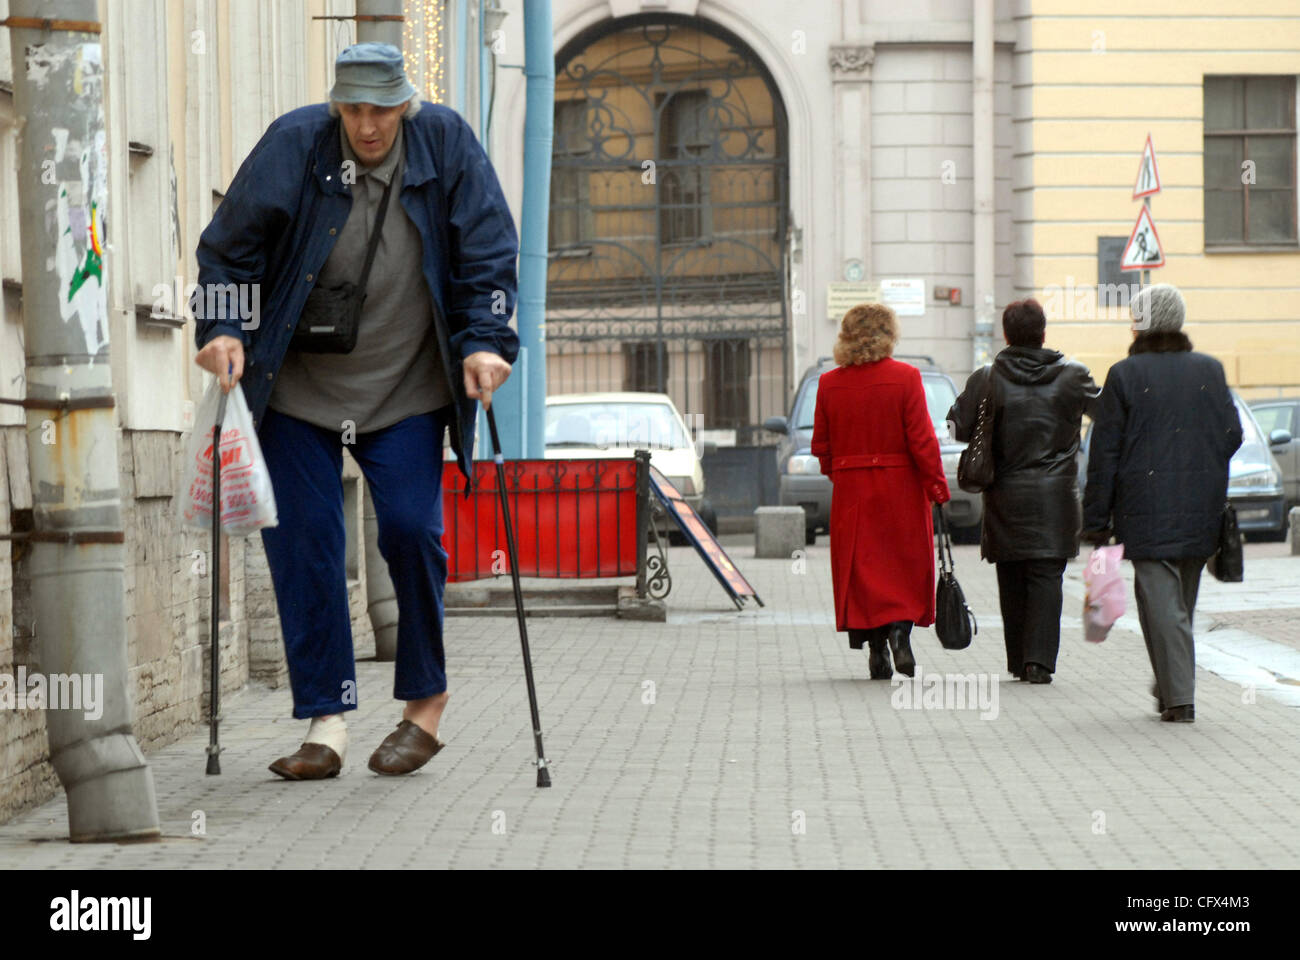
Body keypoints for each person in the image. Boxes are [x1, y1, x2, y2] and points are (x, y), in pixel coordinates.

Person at [191, 43, 519, 778]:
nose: (368, 126)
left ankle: (424, 707)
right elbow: (229, 253)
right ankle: (327, 719)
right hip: (297, 386)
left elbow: (489, 253)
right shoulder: (294, 143)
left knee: (409, 529)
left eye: (382, 110)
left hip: (405, 384)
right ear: (337, 105)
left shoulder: (447, 144)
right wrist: (221, 329)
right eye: (354, 109)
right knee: (304, 541)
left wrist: (487, 342)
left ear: (406, 104)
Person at [1082, 284, 1241, 722]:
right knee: (1174, 605)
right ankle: (1170, 682)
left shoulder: (1125, 375)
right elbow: (1233, 434)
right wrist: (1202, 466)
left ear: (1140, 323)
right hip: (1200, 507)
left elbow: (1105, 453)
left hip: (1142, 511)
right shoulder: (1209, 368)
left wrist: (1096, 521)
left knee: (1164, 606)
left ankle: (1180, 698)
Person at [948, 298, 1101, 684]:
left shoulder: (986, 377)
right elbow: (1107, 413)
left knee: (1011, 575)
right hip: (1056, 499)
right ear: (1043, 332)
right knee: (1047, 578)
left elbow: (959, 428)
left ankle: (1018, 659)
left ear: (1006, 333)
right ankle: (1039, 663)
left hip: (1005, 497)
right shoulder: (1073, 375)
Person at [811, 304, 950, 679]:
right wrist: (937, 486)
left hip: (852, 492)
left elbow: (821, 447)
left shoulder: (829, 383)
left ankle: (876, 651)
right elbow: (922, 440)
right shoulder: (906, 378)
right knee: (901, 566)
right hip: (901, 487)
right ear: (888, 335)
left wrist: (841, 473)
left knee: (863, 570)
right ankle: (900, 634)